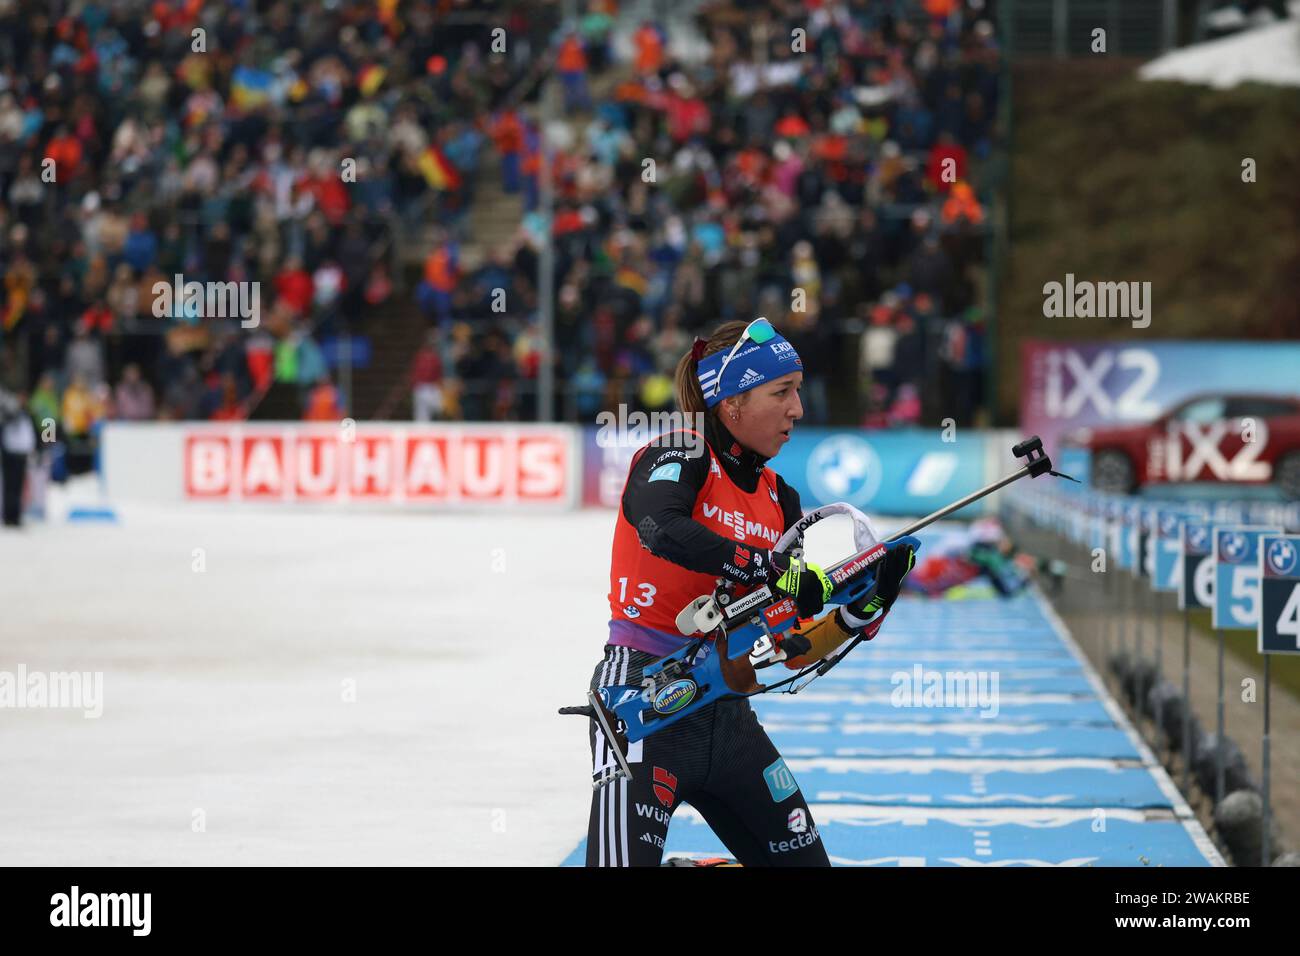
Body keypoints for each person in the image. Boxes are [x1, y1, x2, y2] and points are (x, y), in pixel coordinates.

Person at [585, 318, 915, 866]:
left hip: (728, 717)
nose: (798, 410)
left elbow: (783, 644)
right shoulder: (680, 453)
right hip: (643, 701)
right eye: (781, 392)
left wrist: (857, 612)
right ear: (732, 402)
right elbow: (661, 528)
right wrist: (766, 567)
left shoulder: (779, 497)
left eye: (798, 391)